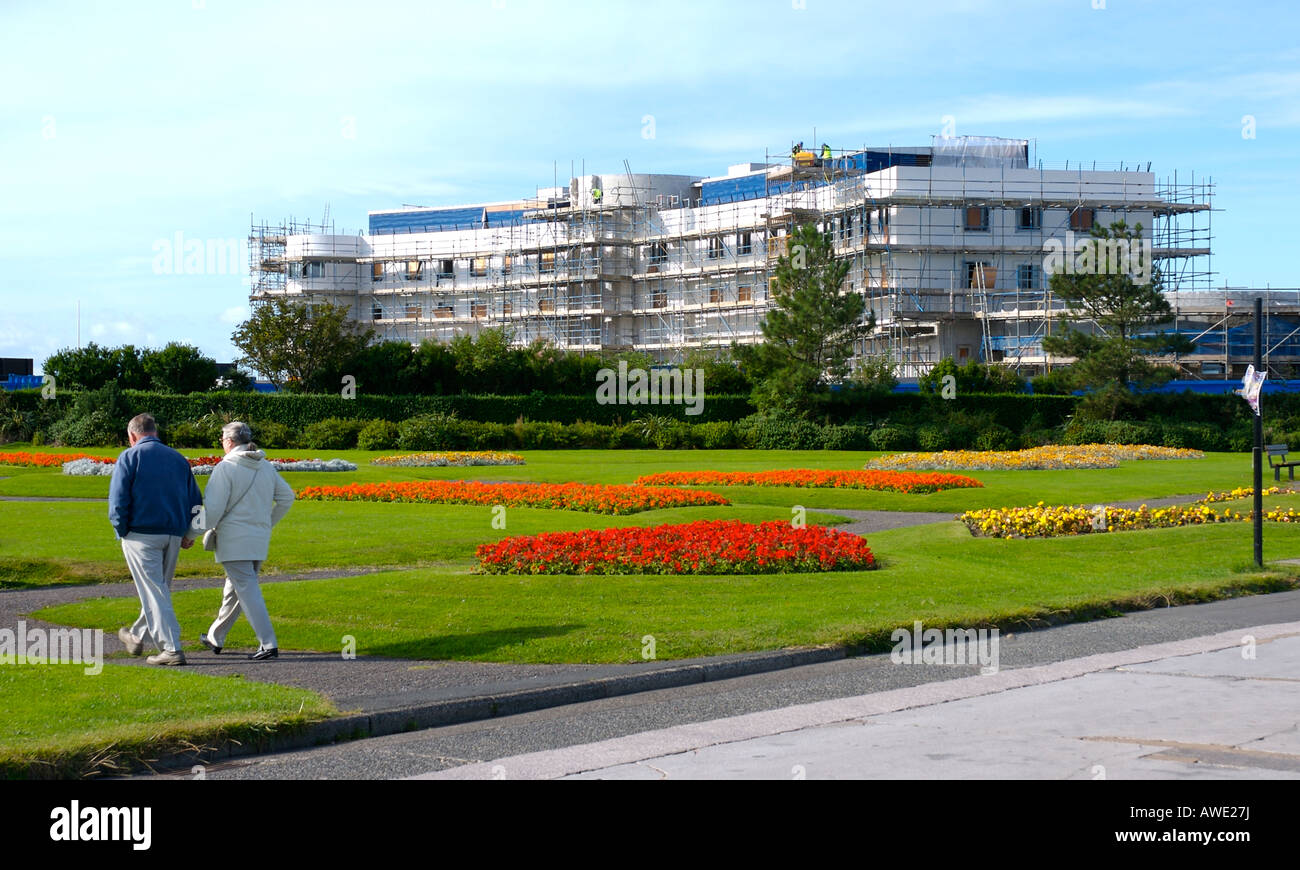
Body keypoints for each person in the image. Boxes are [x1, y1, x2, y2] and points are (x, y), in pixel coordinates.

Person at [195, 421, 295, 661]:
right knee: (236, 589)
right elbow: (287, 498)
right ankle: (215, 637)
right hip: (258, 539)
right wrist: (266, 523)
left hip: (233, 540)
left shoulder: (225, 468)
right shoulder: (266, 467)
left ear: (229, 442)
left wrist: (189, 534)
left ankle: (268, 643)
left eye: (222, 439)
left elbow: (212, 510)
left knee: (246, 590)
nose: (221, 443)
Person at [110, 413, 203, 666]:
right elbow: (196, 502)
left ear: (132, 435)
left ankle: (172, 648)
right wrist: (190, 532)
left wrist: (121, 531)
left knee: (154, 591)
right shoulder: (178, 459)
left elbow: (118, 502)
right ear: (155, 431)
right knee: (158, 590)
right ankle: (136, 635)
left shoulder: (129, 456)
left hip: (140, 534)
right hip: (172, 534)